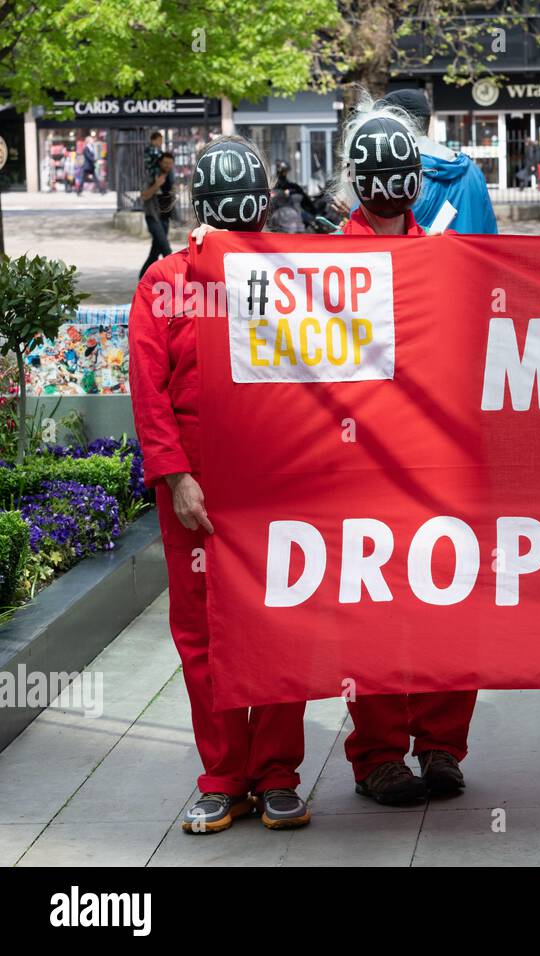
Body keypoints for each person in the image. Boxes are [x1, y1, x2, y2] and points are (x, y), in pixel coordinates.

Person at [129, 135, 311, 834]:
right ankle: (224, 775)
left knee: (282, 627)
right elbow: (150, 393)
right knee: (204, 635)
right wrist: (175, 478)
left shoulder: (294, 279)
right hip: (195, 493)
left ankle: (277, 774)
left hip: (278, 485)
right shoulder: (163, 284)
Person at [333, 93, 480, 803]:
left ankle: (443, 746)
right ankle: (380, 756)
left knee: (450, 606)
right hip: (362, 472)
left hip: (439, 466)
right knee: (373, 616)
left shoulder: (447, 259)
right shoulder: (320, 267)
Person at [378, 88, 498, 234]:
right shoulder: (472, 170)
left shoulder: (395, 174)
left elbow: (376, 239)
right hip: (467, 256)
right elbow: (490, 232)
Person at [138, 151, 174, 278]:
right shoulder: (152, 175)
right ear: (160, 163)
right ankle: (174, 280)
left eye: (170, 163)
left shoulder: (170, 176)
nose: (167, 166)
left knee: (155, 252)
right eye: (165, 163)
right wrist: (156, 185)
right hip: (153, 217)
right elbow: (143, 195)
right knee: (167, 250)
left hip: (165, 218)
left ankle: (142, 277)